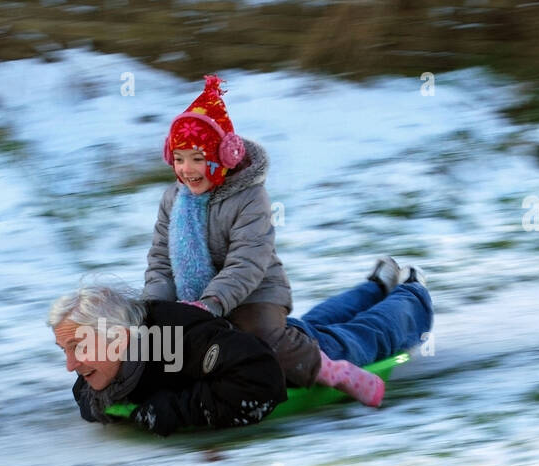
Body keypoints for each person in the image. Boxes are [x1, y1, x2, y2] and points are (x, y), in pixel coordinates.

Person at [145, 75, 416, 402]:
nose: (187, 169)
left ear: (224, 156)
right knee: (164, 338)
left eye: (197, 158)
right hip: (198, 303)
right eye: (179, 158)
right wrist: (155, 307)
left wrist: (210, 303)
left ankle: (336, 371)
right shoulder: (174, 200)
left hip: (256, 292)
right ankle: (375, 286)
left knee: (261, 339)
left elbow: (247, 262)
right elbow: (161, 261)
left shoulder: (249, 197)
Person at [50, 258, 433, 436]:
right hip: (261, 336)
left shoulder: (176, 343)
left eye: (78, 348)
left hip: (290, 360)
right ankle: (375, 285)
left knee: (366, 335)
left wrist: (177, 410)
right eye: (65, 350)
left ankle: (413, 292)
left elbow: (259, 380)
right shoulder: (121, 353)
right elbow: (85, 389)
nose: (71, 365)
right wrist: (101, 406)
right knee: (318, 319)